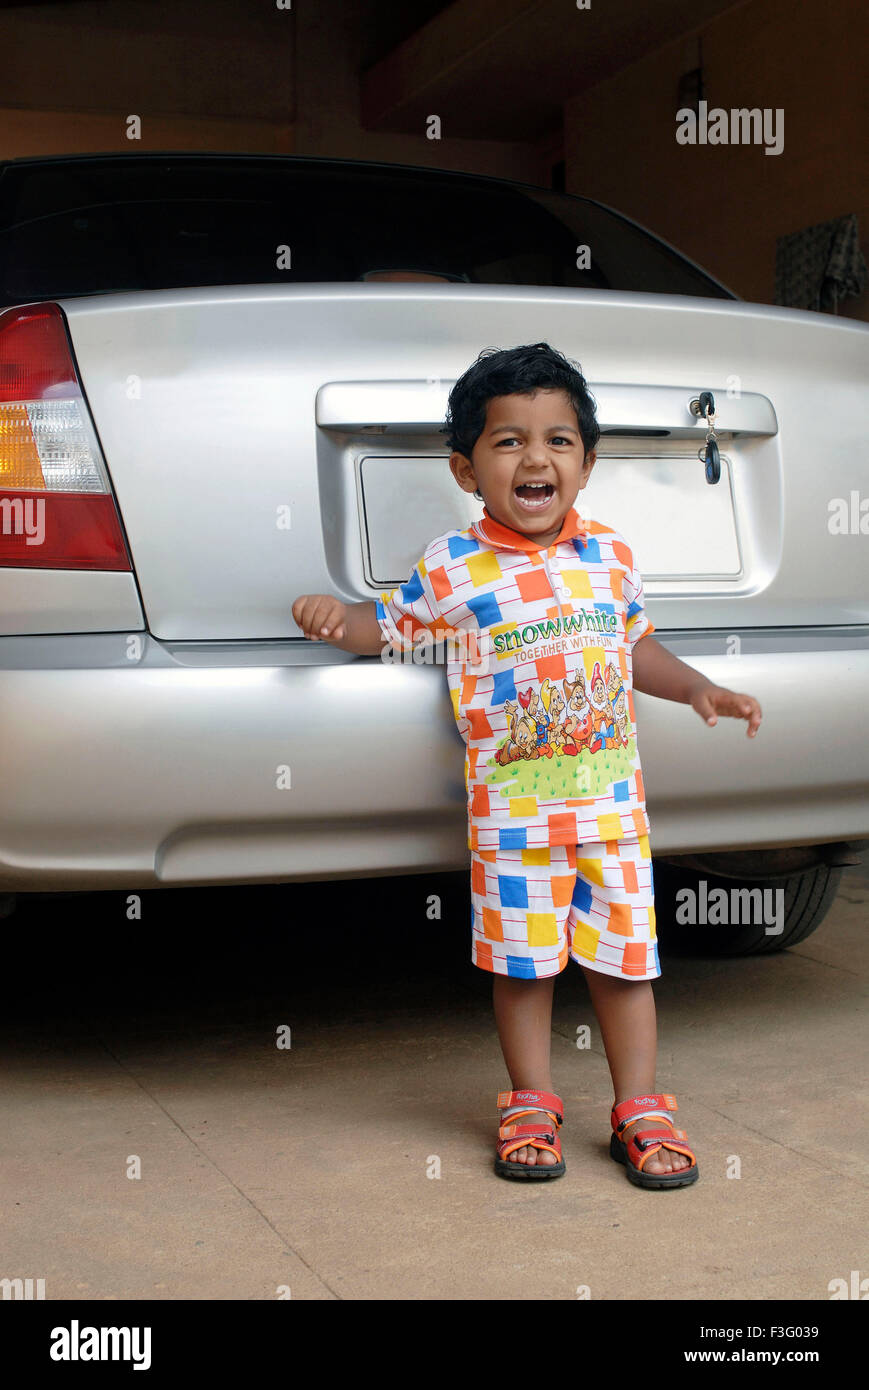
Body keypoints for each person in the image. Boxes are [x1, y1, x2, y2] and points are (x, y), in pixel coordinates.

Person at [292, 342, 762, 1189]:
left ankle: (639, 1107)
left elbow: (638, 649)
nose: (534, 457)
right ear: (466, 470)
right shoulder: (450, 567)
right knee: (522, 966)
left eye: (557, 440)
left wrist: (698, 686)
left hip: (611, 814)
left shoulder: (610, 558)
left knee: (626, 965)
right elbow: (389, 630)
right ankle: (530, 1101)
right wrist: (336, 621)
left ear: (585, 463)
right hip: (512, 821)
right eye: (507, 441)